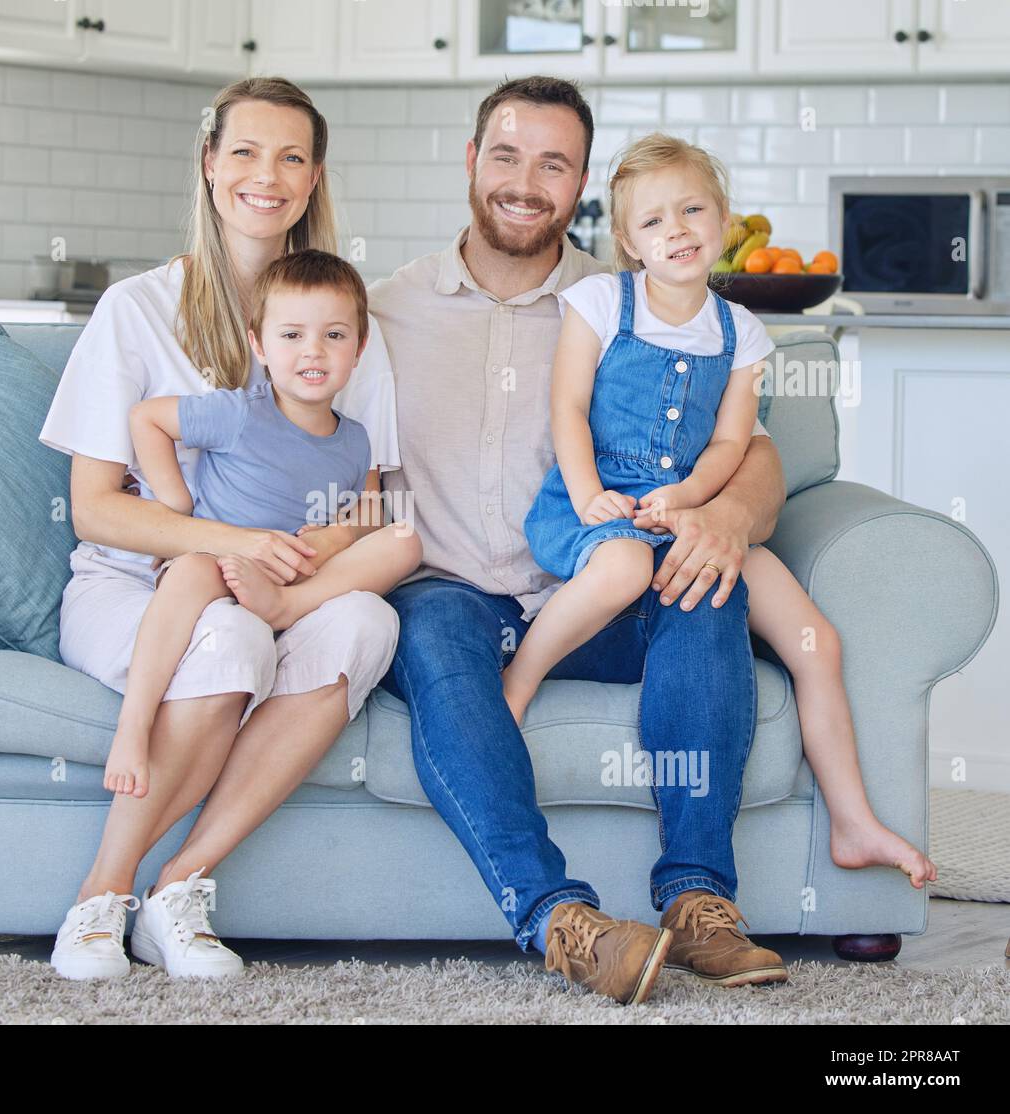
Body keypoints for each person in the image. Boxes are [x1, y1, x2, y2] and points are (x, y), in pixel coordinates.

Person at [370, 77, 789, 1004]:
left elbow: (752, 447)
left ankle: (698, 902)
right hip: (456, 597)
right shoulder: (385, 310)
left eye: (553, 164)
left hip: (602, 586)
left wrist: (724, 518)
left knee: (706, 589)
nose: (527, 182)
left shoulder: (635, 299)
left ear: (582, 183)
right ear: (471, 161)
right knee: (436, 633)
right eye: (507, 156)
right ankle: (564, 921)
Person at [502, 132, 935, 895]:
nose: (677, 230)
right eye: (654, 221)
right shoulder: (603, 302)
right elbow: (566, 408)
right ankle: (519, 679)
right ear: (628, 242)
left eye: (693, 209)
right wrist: (586, 497)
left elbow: (735, 440)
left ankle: (852, 819)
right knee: (625, 564)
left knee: (815, 639)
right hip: (596, 503)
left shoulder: (742, 333)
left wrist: (691, 499)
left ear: (725, 218)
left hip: (688, 513)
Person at [39, 78, 402, 981]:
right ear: (209, 165)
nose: (265, 176)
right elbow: (95, 507)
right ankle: (100, 896)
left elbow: (376, 502)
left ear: (314, 179)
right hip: (132, 586)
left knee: (369, 622)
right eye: (243, 152)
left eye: (290, 157)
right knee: (230, 635)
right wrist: (227, 545)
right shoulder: (135, 311)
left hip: (279, 579)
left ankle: (181, 886)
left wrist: (299, 561)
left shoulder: (344, 322)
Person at [105, 250, 422, 798]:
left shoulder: (355, 437)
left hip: (297, 579)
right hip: (221, 567)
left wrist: (338, 536)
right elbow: (147, 419)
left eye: (335, 336)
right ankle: (134, 727)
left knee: (404, 538)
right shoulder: (239, 411)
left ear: (359, 348)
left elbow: (369, 508)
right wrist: (176, 503)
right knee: (188, 575)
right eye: (292, 335)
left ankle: (285, 611)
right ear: (260, 345)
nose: (313, 352)